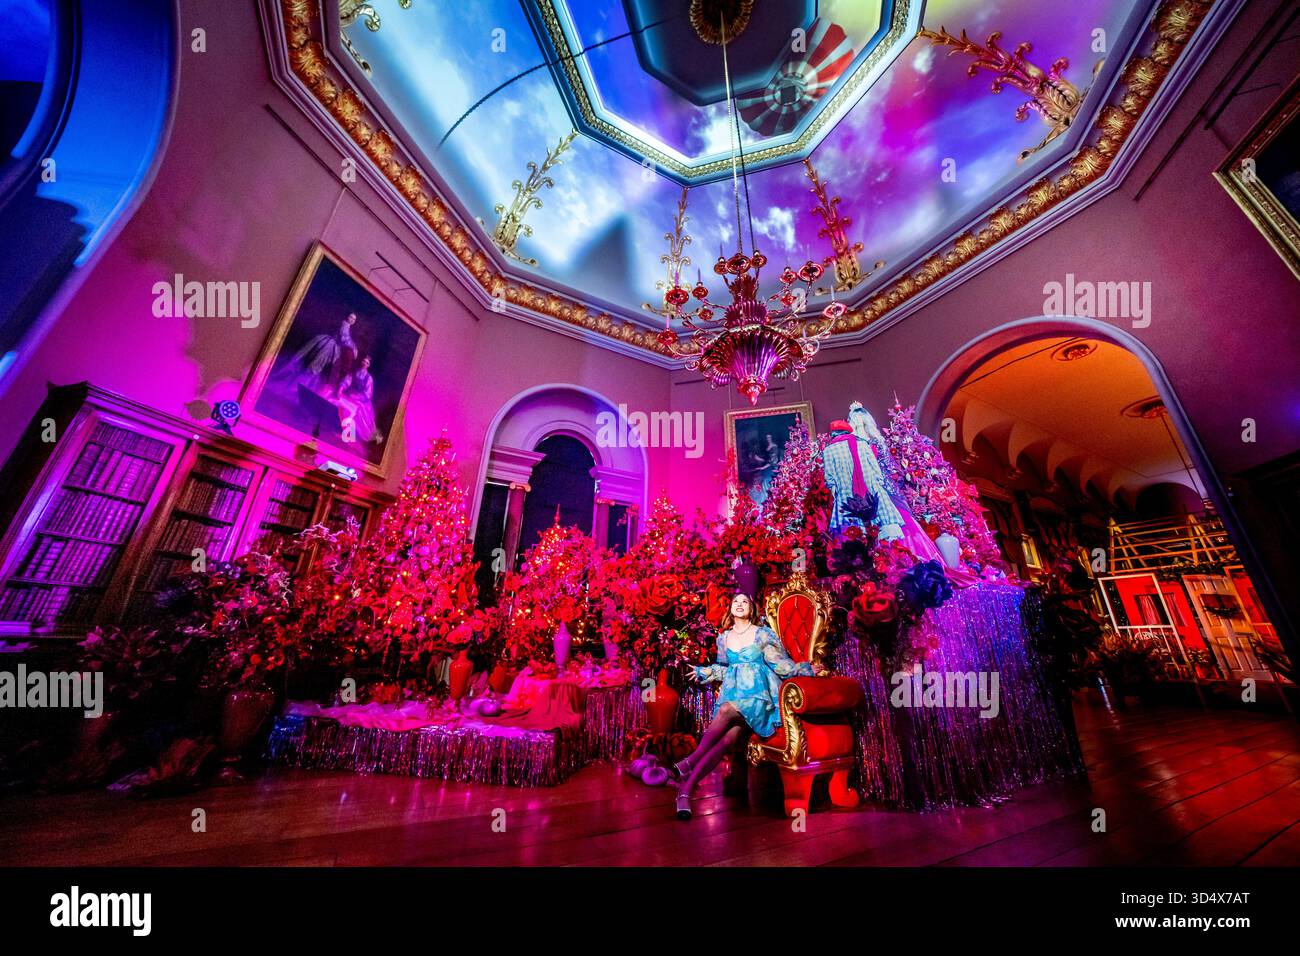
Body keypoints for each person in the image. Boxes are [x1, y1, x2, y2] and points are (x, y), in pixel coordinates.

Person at [670, 592, 827, 820]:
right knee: (727, 740)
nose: (740, 604)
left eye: (744, 601)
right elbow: (727, 669)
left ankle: (691, 760)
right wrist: (707, 671)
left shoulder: (762, 634)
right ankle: (684, 792)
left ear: (752, 608)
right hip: (735, 694)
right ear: (730, 609)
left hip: (760, 697)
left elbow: (780, 664)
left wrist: (807, 669)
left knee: (724, 710)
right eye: (735, 601)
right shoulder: (723, 638)